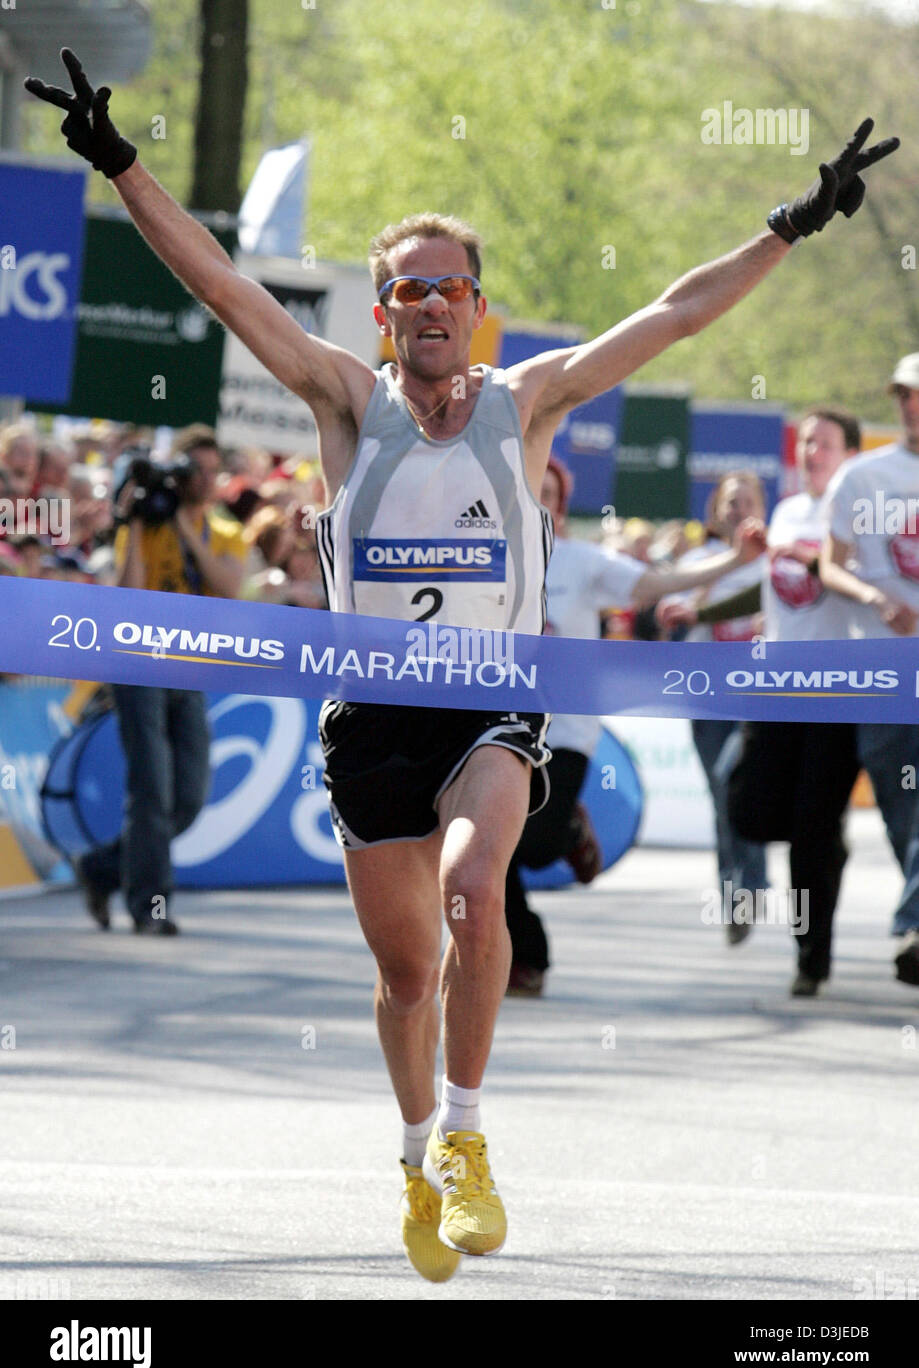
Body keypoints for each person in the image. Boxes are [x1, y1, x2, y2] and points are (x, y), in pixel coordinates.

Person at [25, 47, 899, 1280]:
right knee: (402, 975)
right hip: (366, 718)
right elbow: (223, 286)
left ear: (474, 306)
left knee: (474, 889)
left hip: (490, 703)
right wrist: (120, 164)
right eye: (407, 290)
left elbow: (674, 310)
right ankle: (415, 1151)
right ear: (383, 313)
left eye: (449, 287)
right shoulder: (341, 402)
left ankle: (474, 1139)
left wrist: (791, 223)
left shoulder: (526, 401)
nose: (430, 305)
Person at [506, 456, 766, 998]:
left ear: (561, 505)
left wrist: (733, 561)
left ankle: (569, 830)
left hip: (564, 731)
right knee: (489, 846)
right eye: (533, 492)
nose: (542, 504)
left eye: (552, 495)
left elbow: (656, 582)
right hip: (498, 725)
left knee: (532, 848)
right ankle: (526, 957)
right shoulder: (490, 560)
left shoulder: (582, 561)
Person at [659, 409, 863, 995]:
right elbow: (769, 583)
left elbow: (855, 577)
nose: (809, 451)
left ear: (848, 453)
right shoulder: (787, 511)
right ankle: (797, 865)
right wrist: (703, 611)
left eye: (822, 443)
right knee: (742, 798)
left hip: (834, 689)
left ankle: (810, 957)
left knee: (809, 831)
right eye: (803, 441)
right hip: (773, 685)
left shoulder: (854, 514)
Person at [75, 440, 248, 935]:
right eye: (194, 469)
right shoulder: (146, 526)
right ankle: (151, 909)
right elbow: (128, 592)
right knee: (151, 790)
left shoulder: (225, 530)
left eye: (213, 471)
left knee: (188, 797)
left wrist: (183, 529)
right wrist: (133, 523)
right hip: (140, 664)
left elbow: (229, 586)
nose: (203, 478)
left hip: (190, 668)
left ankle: (103, 867)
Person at [819, 356, 919, 986]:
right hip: (881, 671)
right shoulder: (863, 477)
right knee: (900, 807)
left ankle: (911, 925)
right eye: (904, 396)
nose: (911, 405)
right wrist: (874, 598)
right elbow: (830, 566)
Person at [673, 473, 770, 942]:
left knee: (737, 779)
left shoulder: (773, 562)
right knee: (720, 791)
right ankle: (734, 893)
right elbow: (674, 621)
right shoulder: (695, 561)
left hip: (759, 695)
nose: (738, 510)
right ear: (716, 510)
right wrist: (711, 580)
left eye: (747, 501)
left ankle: (751, 884)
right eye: (731, 502)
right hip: (707, 693)